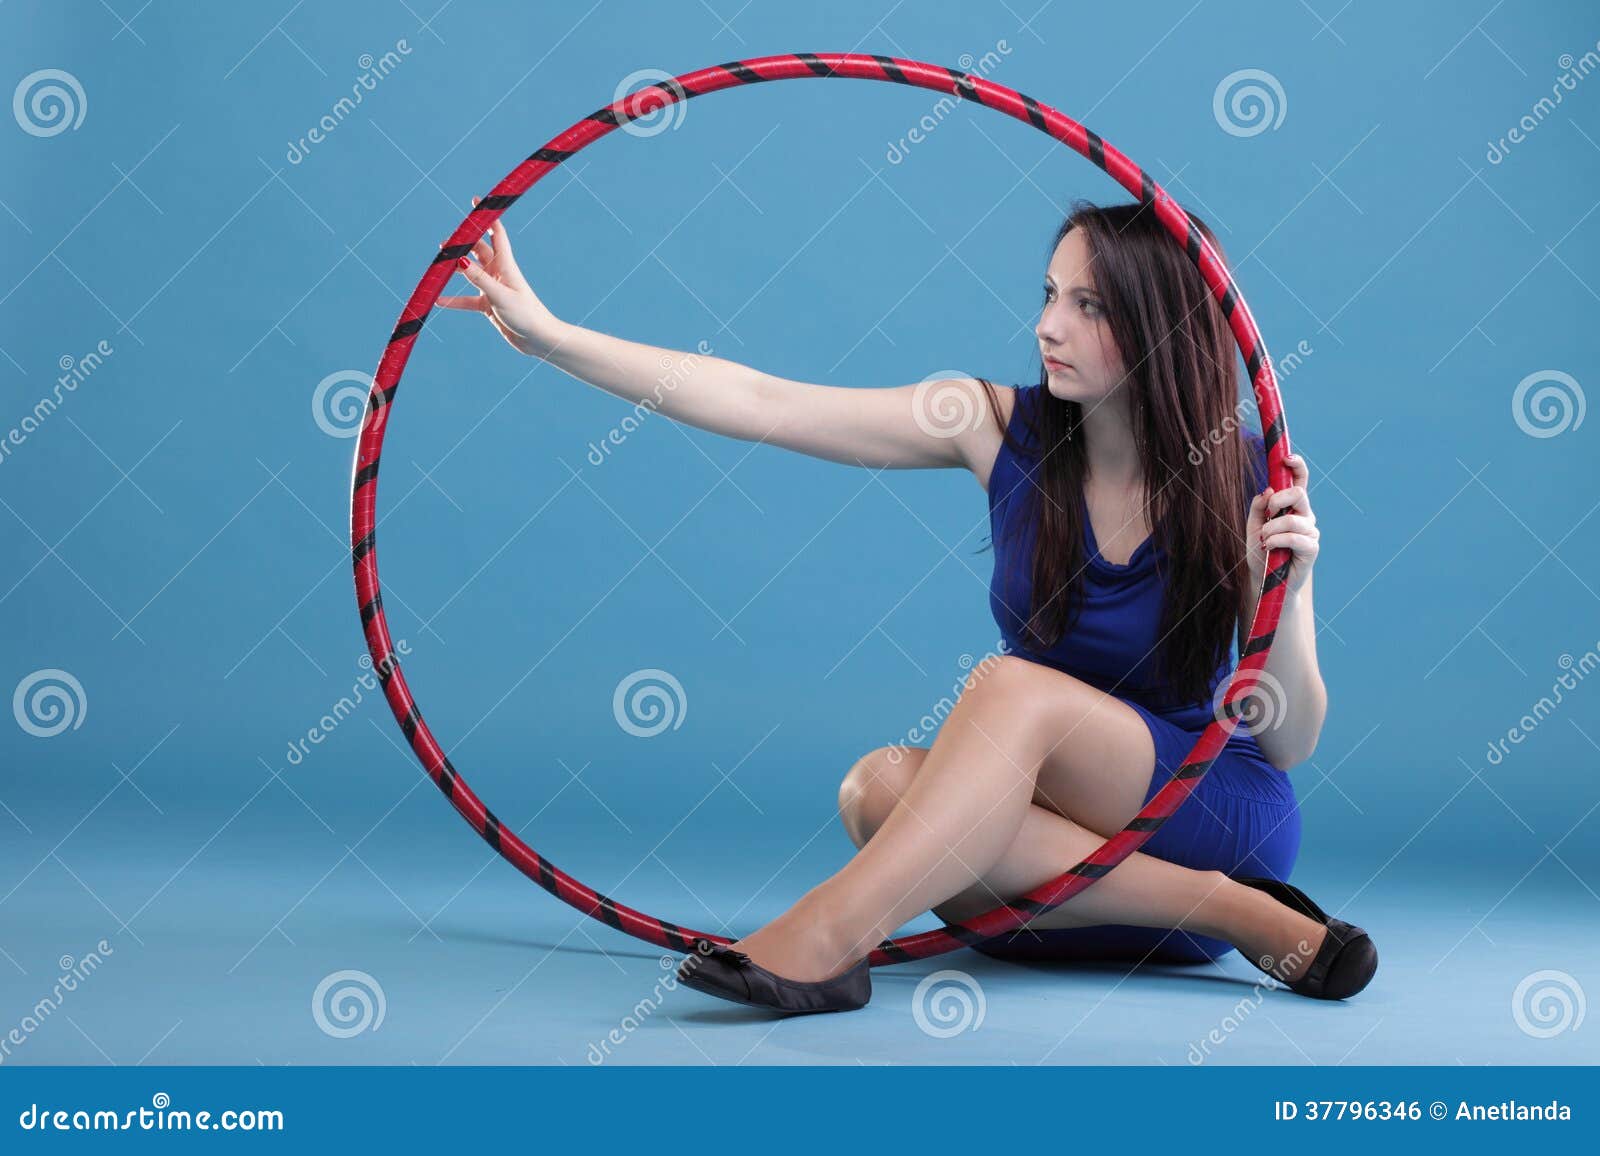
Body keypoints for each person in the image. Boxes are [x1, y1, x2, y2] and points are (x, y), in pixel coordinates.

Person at [438, 196, 1377, 1015]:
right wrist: (554, 336)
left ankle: (829, 940)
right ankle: (1233, 910)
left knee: (1012, 692)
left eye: (1087, 305)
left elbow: (1288, 742)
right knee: (878, 791)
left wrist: (1281, 592)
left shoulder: (1251, 474)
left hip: (1213, 807)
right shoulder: (990, 422)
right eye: (1049, 294)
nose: (1048, 326)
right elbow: (764, 398)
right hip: (1071, 893)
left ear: (1163, 324)